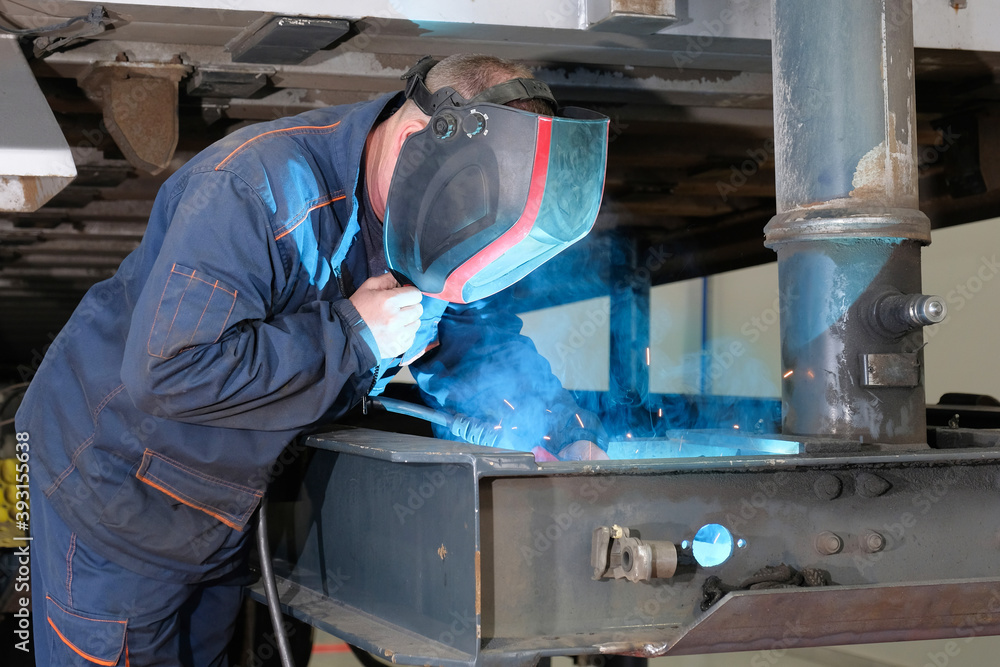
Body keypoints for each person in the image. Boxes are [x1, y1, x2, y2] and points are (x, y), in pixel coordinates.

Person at [16, 53, 609, 665]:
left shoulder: (438, 211)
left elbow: (473, 336)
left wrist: (559, 432)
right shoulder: (255, 188)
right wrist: (352, 336)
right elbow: (170, 371)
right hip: (113, 498)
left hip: (222, 513)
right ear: (415, 142)